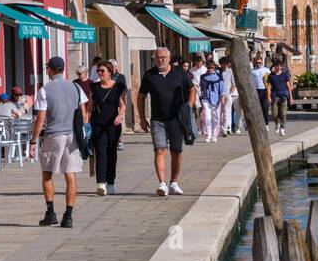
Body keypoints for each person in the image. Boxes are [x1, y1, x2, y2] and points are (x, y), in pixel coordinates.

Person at [30, 56, 88, 227]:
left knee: (47, 173)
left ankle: (50, 212)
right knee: (70, 174)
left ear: (51, 70)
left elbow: (40, 118)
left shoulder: (45, 90)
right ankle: (68, 215)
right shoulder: (76, 87)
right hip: (72, 136)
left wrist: (33, 141)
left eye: (48, 68)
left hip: (54, 135)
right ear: (62, 69)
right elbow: (83, 113)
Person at [139, 46, 196, 197]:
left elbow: (192, 89)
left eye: (163, 57)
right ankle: (162, 184)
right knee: (160, 150)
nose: (160, 60)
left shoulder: (179, 73)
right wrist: (142, 118)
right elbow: (141, 96)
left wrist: (189, 107)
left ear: (169, 58)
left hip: (177, 119)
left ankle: (174, 183)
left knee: (176, 151)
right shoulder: (149, 75)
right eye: (158, 57)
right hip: (157, 120)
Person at [89, 60, 126, 195]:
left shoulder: (118, 87)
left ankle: (110, 182)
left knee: (112, 153)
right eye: (98, 71)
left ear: (110, 72)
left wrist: (119, 116)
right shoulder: (94, 87)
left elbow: (123, 105)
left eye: (102, 71)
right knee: (100, 153)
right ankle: (101, 183)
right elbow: (89, 107)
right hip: (98, 125)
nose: (100, 73)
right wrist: (86, 123)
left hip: (113, 125)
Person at [198, 62, 225, 143]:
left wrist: (222, 99)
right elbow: (201, 88)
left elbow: (222, 90)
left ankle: (214, 134)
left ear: (214, 68)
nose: (210, 69)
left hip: (216, 100)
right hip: (206, 99)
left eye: (212, 68)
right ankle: (207, 134)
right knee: (207, 117)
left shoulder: (219, 77)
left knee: (215, 118)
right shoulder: (203, 77)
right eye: (209, 68)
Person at [267, 59, 292, 135]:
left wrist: (291, 97)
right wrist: (268, 97)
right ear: (274, 67)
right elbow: (268, 87)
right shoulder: (271, 75)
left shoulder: (284, 74)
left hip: (283, 96)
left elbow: (288, 86)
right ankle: (277, 124)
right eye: (276, 66)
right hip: (274, 96)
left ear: (281, 67)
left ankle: (282, 127)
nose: (278, 67)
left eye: (279, 66)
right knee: (274, 114)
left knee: (283, 113)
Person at [219, 57, 239, 135]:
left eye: (223, 64)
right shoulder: (218, 72)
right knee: (222, 112)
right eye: (221, 64)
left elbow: (234, 84)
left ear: (227, 64)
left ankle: (226, 128)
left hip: (227, 95)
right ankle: (227, 127)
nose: (222, 66)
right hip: (220, 95)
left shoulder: (230, 72)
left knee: (227, 112)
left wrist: (229, 94)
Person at [251, 54, 271, 120]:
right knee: (257, 107)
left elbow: (270, 80)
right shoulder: (252, 71)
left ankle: (266, 123)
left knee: (265, 107)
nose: (258, 64)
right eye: (256, 63)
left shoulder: (266, 70)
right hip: (256, 90)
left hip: (265, 90)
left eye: (259, 62)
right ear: (254, 63)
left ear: (262, 62)